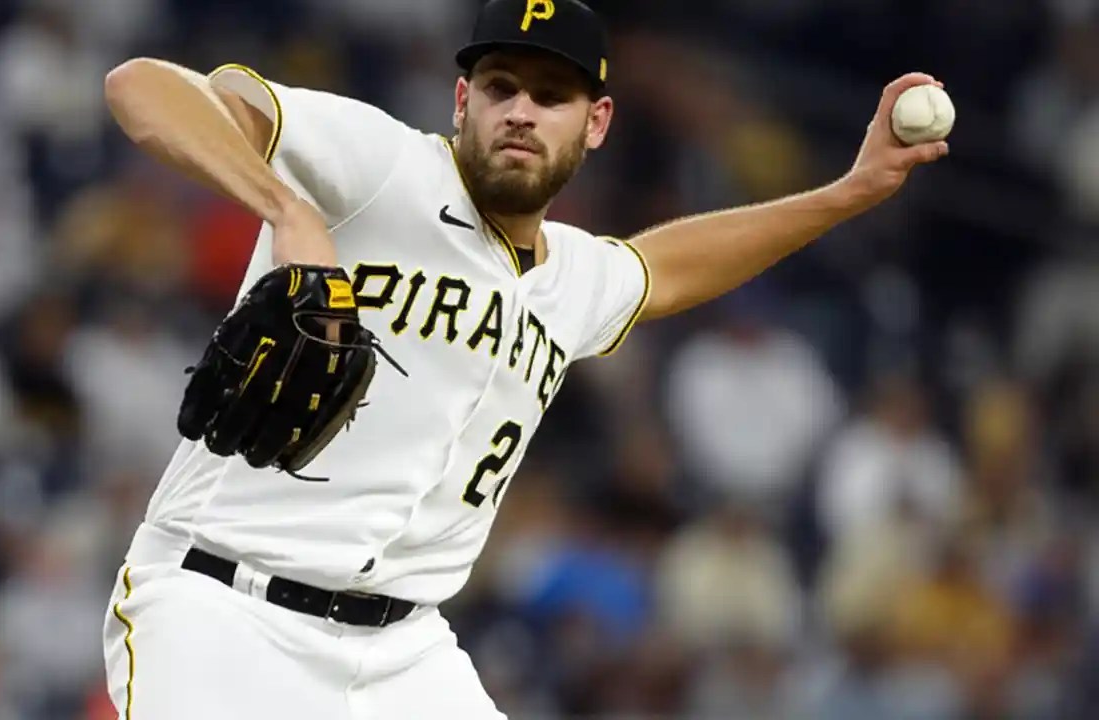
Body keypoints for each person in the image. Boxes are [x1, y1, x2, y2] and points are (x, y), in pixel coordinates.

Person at [99, 0, 950, 717]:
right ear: (462, 100)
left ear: (597, 122)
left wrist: (848, 194)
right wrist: (287, 208)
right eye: (501, 86)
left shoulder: (575, 277)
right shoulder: (382, 167)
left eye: (552, 95)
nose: (521, 111)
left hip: (402, 651)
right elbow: (142, 87)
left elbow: (670, 267)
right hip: (223, 608)